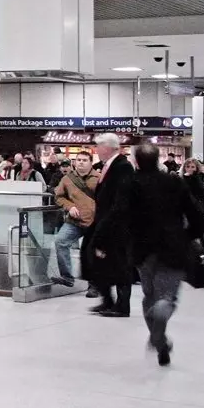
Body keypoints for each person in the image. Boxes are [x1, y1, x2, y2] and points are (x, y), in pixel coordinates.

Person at [128, 143, 204, 365]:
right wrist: (190, 235)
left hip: (143, 250)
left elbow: (119, 214)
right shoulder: (174, 182)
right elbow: (195, 213)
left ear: (137, 161)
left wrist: (109, 242)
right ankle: (164, 308)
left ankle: (158, 339)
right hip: (173, 247)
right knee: (166, 295)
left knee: (148, 294)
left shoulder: (131, 184)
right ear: (158, 159)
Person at [85, 133, 136, 318]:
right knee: (97, 259)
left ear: (110, 147)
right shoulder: (109, 166)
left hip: (116, 225)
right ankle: (107, 300)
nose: (96, 150)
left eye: (99, 146)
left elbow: (121, 200)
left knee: (120, 264)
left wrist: (108, 223)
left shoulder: (122, 167)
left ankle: (122, 305)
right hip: (105, 221)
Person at [50, 152, 99, 286]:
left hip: (94, 222)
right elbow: (58, 197)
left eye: (84, 160)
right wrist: (69, 206)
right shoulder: (67, 179)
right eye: (78, 160)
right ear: (74, 162)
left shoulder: (99, 178)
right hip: (74, 222)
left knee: (91, 252)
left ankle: (94, 283)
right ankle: (67, 277)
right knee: (60, 241)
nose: (81, 162)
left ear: (90, 162)